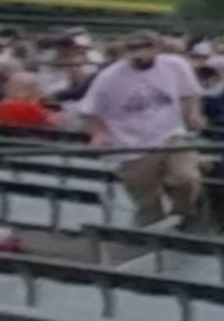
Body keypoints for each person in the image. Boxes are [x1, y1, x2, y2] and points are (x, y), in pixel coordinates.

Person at [74, 33, 203, 226]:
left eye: (146, 51)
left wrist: (192, 113)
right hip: (130, 143)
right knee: (147, 202)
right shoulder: (109, 77)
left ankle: (184, 213)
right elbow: (88, 111)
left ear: (157, 48)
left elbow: (189, 92)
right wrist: (99, 134)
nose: (141, 58)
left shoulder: (175, 65)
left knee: (185, 177)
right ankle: (152, 227)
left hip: (170, 132)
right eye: (135, 53)